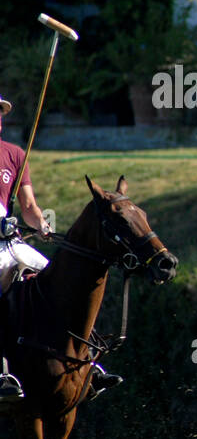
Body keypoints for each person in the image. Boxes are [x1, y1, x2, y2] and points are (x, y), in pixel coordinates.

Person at [0, 92, 121, 401]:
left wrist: (41, 224)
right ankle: (2, 372)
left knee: (59, 283)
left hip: (10, 242)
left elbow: (28, 206)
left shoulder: (15, 155)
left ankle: (90, 365)